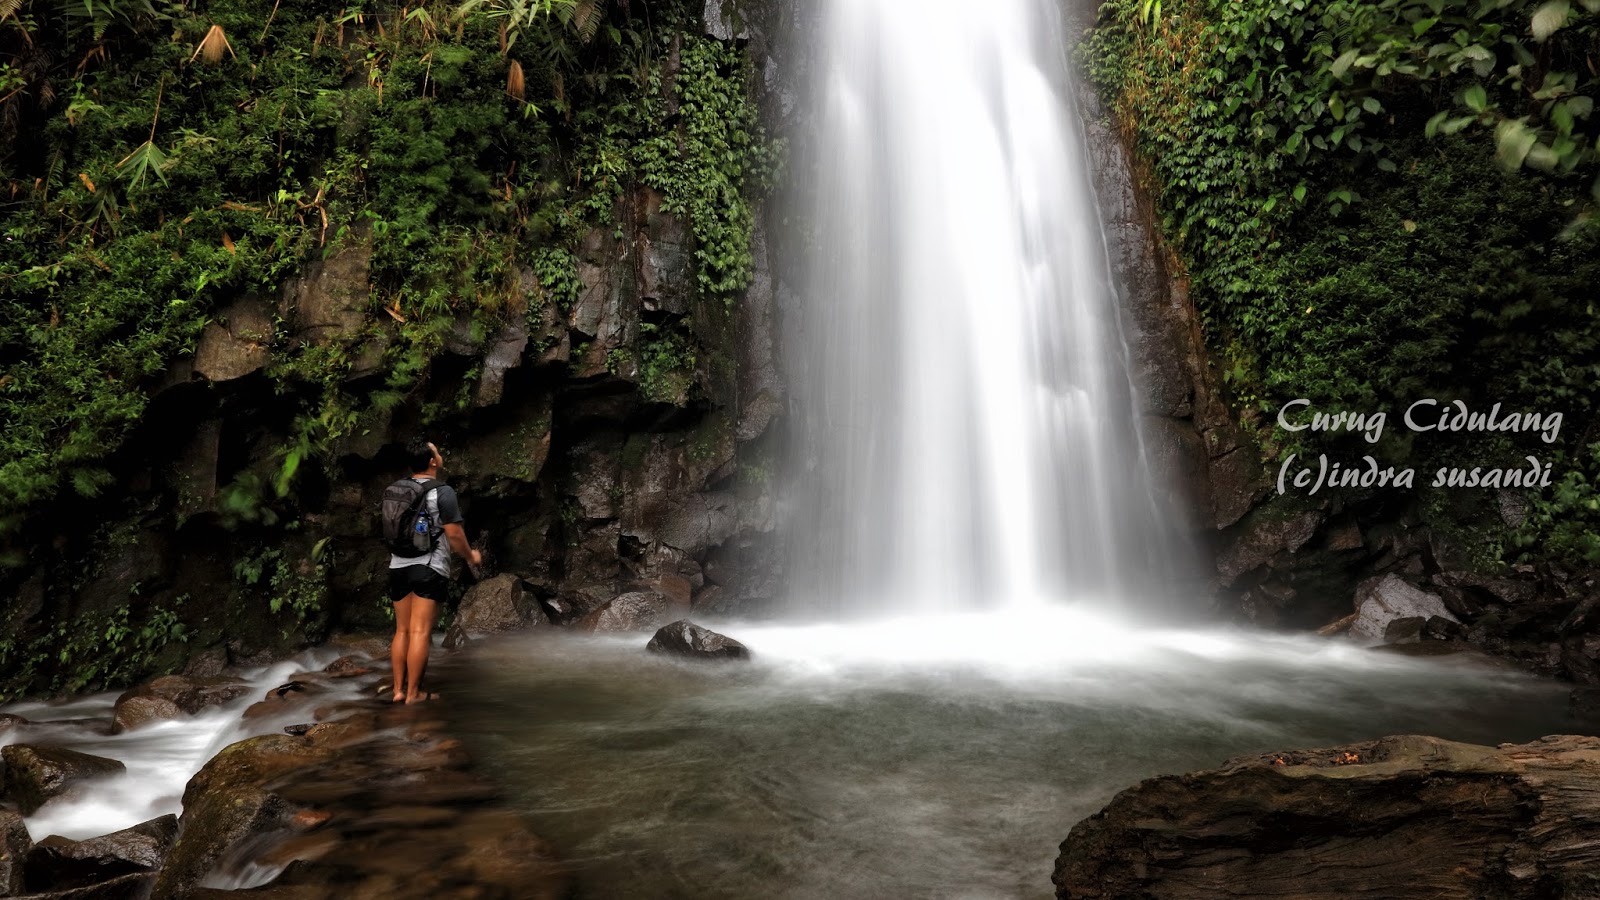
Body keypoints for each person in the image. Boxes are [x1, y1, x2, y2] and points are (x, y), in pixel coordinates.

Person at [388, 438, 481, 704]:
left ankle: (398, 690)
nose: (439, 456)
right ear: (432, 461)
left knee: (402, 631)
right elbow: (453, 533)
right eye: (437, 453)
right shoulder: (442, 491)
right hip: (428, 567)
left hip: (398, 565)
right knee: (419, 632)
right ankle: (414, 694)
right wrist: (470, 555)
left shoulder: (395, 489)